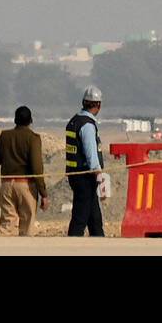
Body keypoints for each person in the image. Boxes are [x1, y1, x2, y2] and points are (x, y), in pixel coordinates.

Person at [0, 105, 48, 236]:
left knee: (6, 224)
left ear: (15, 120)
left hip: (6, 184)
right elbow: (36, 168)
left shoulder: (4, 136)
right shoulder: (33, 138)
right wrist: (44, 193)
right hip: (26, 185)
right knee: (27, 226)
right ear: (30, 121)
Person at [66, 85, 105, 236]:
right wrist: (99, 175)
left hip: (75, 175)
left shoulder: (74, 121)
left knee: (94, 218)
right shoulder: (87, 125)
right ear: (98, 105)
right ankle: (72, 245)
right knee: (80, 217)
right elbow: (91, 155)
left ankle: (98, 238)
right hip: (85, 178)